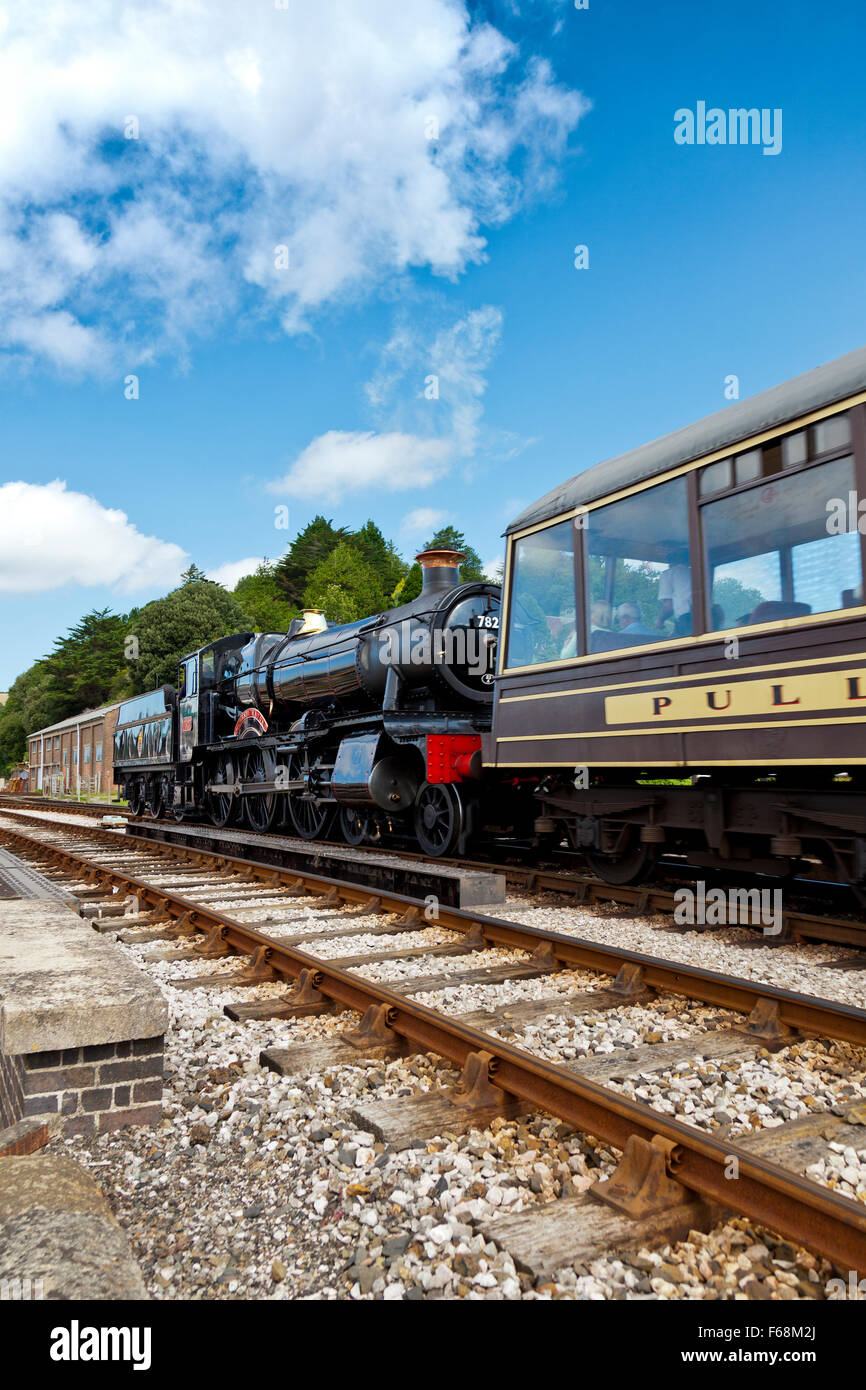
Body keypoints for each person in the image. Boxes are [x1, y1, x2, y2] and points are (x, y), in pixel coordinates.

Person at [657, 551, 691, 631]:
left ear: (669, 562)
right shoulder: (694, 573)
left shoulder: (668, 574)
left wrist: (660, 620)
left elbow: (669, 606)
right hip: (704, 619)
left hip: (685, 619)